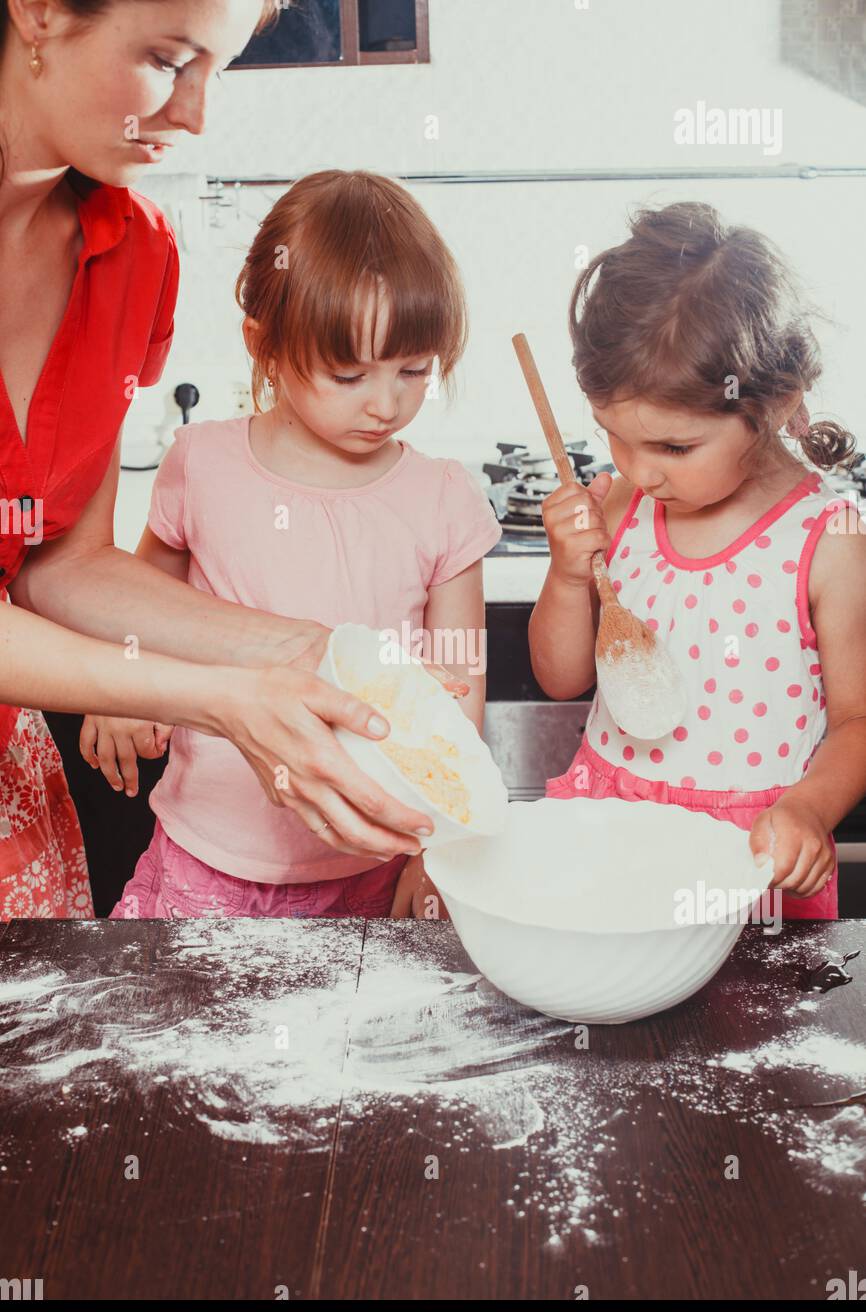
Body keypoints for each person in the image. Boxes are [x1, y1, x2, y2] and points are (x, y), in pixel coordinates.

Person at [0, 0, 438, 918]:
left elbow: (57, 565)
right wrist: (220, 697)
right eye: (167, 60)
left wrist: (310, 654)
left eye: (219, 70)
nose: (197, 116)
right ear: (38, 11)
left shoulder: (136, 256)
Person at [78, 169, 500, 921]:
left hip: (371, 866)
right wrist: (117, 689)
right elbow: (131, 609)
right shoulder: (200, 463)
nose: (386, 403)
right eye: (349, 374)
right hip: (203, 858)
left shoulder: (443, 498)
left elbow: (459, 700)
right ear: (265, 345)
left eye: (413, 371)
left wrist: (442, 850)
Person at [529, 202, 866, 919]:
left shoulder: (828, 539)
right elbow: (561, 680)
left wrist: (808, 809)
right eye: (614, 437)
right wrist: (565, 574)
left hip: (751, 854)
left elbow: (858, 721)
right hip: (613, 827)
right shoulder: (621, 507)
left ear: (775, 404)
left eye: (674, 448)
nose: (639, 471)